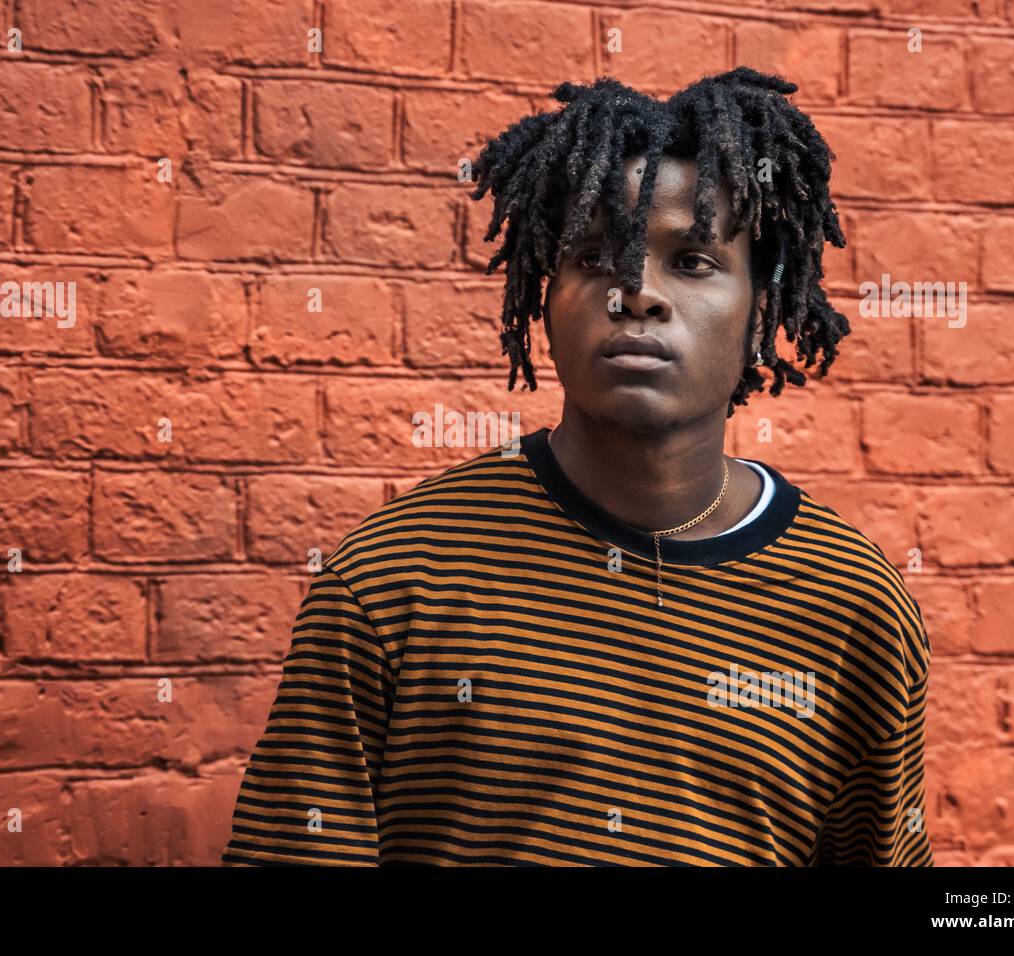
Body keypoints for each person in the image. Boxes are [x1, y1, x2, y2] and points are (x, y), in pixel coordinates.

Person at [221, 68, 933, 866]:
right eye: (594, 256)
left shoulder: (851, 601)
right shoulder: (394, 577)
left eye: (692, 260)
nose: (636, 292)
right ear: (541, 299)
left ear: (760, 310)